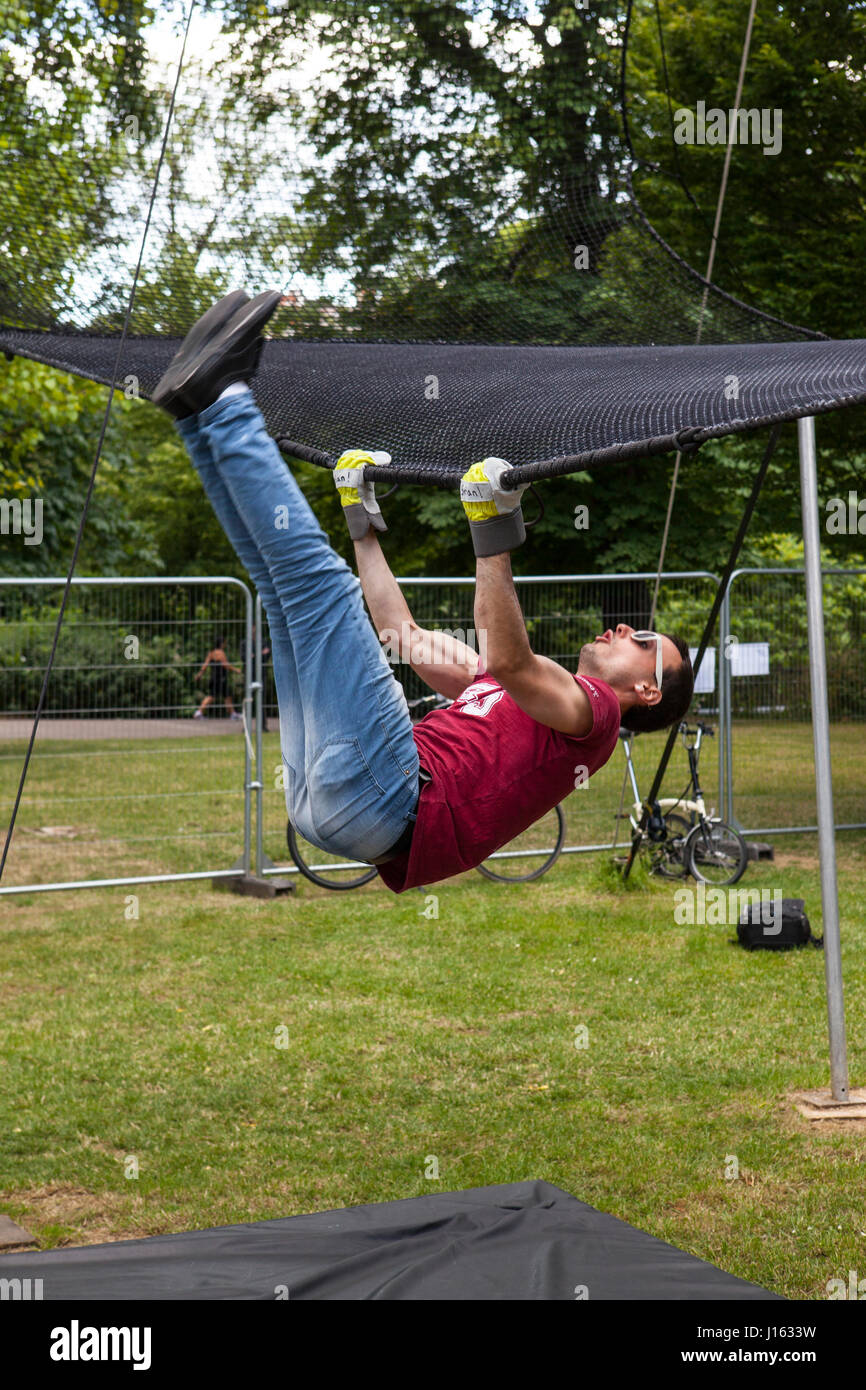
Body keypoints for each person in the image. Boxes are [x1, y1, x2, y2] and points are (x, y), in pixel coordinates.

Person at [153, 290, 694, 892]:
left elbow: (514, 660)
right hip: (341, 808)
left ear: (646, 691)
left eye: (644, 641)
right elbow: (400, 634)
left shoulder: (591, 718)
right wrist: (359, 519)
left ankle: (225, 404)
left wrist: (491, 526)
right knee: (283, 598)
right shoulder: (511, 694)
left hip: (385, 795)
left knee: (319, 592)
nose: (625, 629)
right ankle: (196, 416)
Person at [193, 634, 242, 719]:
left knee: (227, 695)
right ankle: (199, 712)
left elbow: (205, 665)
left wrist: (199, 674)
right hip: (220, 679)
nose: (225, 645)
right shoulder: (220, 653)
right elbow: (225, 665)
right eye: (225, 643)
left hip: (214, 678)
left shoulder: (211, 653)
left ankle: (232, 713)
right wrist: (236, 670)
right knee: (212, 696)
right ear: (221, 643)